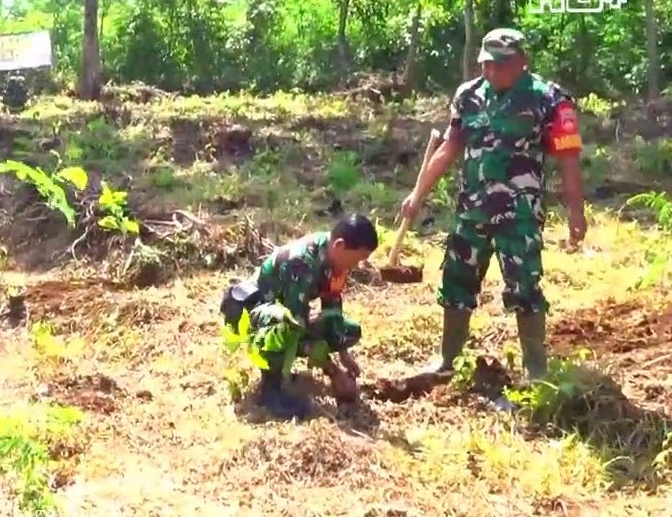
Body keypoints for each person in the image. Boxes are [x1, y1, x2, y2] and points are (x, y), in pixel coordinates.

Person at [399, 28, 586, 384]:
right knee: (456, 279)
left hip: (520, 213)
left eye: (501, 65)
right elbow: (450, 146)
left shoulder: (549, 99)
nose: (492, 72)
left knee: (524, 287)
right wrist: (417, 193)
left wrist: (576, 211)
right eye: (487, 65)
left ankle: (535, 371)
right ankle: (446, 359)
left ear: (522, 62)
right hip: (472, 209)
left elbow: (568, 157)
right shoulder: (468, 96)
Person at [220, 214, 378, 420]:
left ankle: (284, 366)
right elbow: (295, 321)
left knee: (347, 330)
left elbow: (332, 309)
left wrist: (344, 354)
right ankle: (271, 389)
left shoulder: (335, 259)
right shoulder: (300, 263)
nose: (356, 266)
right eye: (356, 259)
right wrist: (334, 372)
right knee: (283, 326)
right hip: (256, 315)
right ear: (340, 246)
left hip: (290, 311)